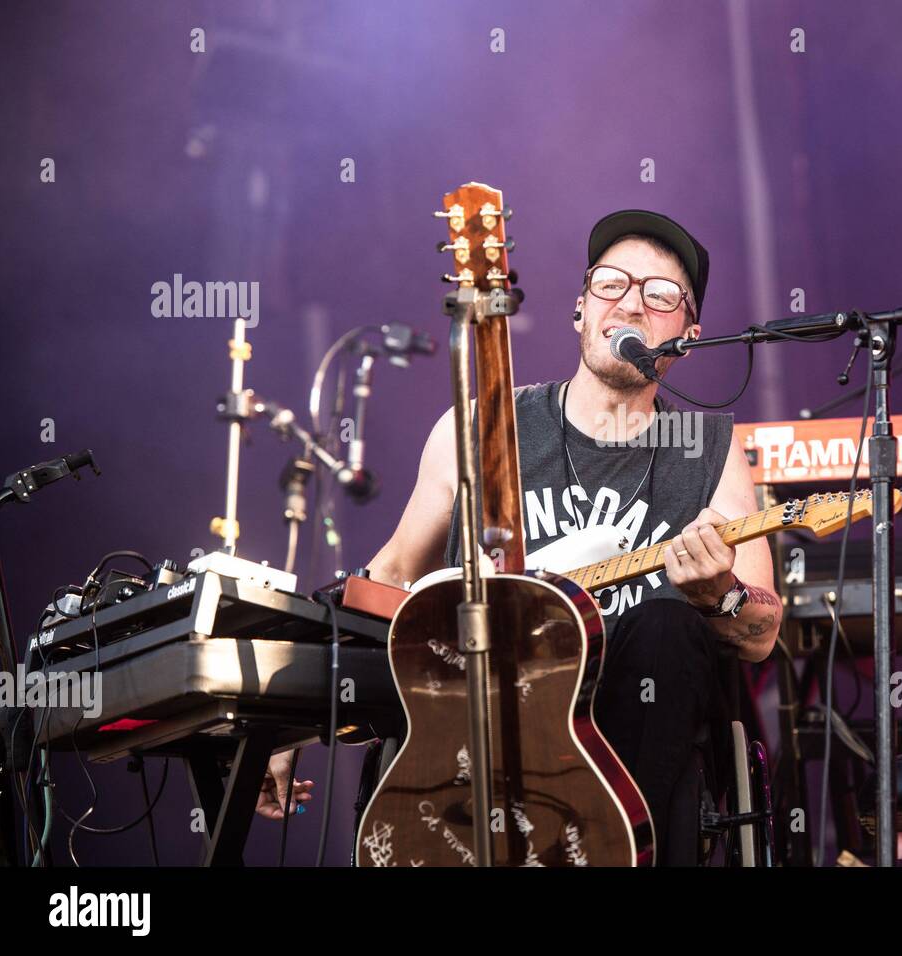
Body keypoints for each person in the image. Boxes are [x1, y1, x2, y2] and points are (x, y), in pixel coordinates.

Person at [260, 210, 784, 863]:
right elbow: (389, 580)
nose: (631, 305)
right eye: (611, 284)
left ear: (688, 334)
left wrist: (720, 596)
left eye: (659, 296)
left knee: (668, 628)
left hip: (617, 735)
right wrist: (286, 721)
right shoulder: (479, 425)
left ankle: (605, 850)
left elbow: (761, 635)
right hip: (470, 720)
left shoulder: (710, 450)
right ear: (579, 309)